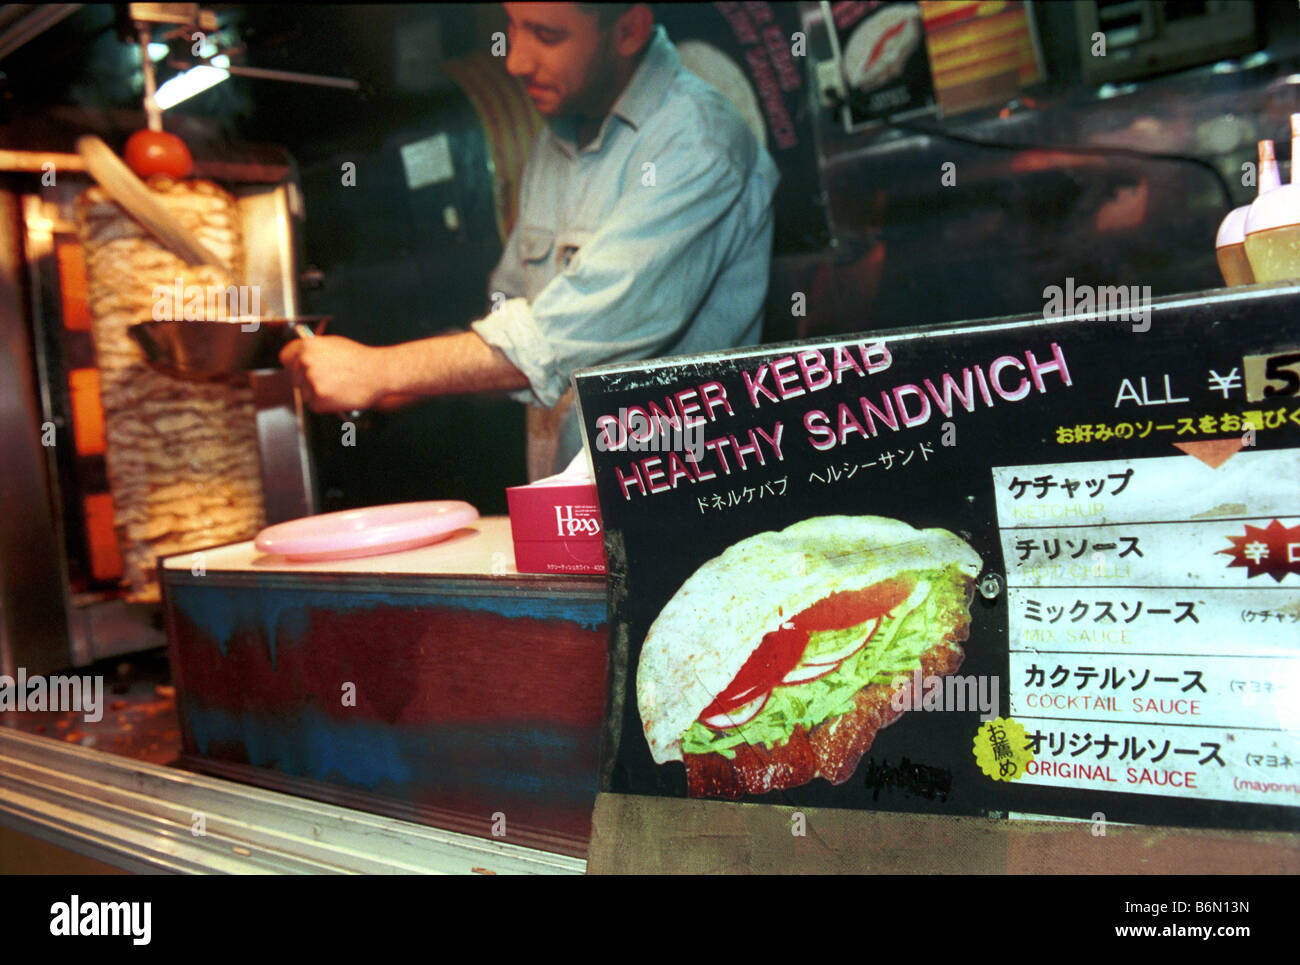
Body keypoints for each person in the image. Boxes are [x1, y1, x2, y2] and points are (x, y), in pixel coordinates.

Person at [282, 3, 779, 476]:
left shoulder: (697, 141)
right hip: (567, 512)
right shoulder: (555, 142)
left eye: (547, 35)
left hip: (676, 515)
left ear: (628, 31)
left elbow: (556, 340)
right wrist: (394, 385)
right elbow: (512, 325)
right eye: (513, 27)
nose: (515, 60)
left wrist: (379, 370)